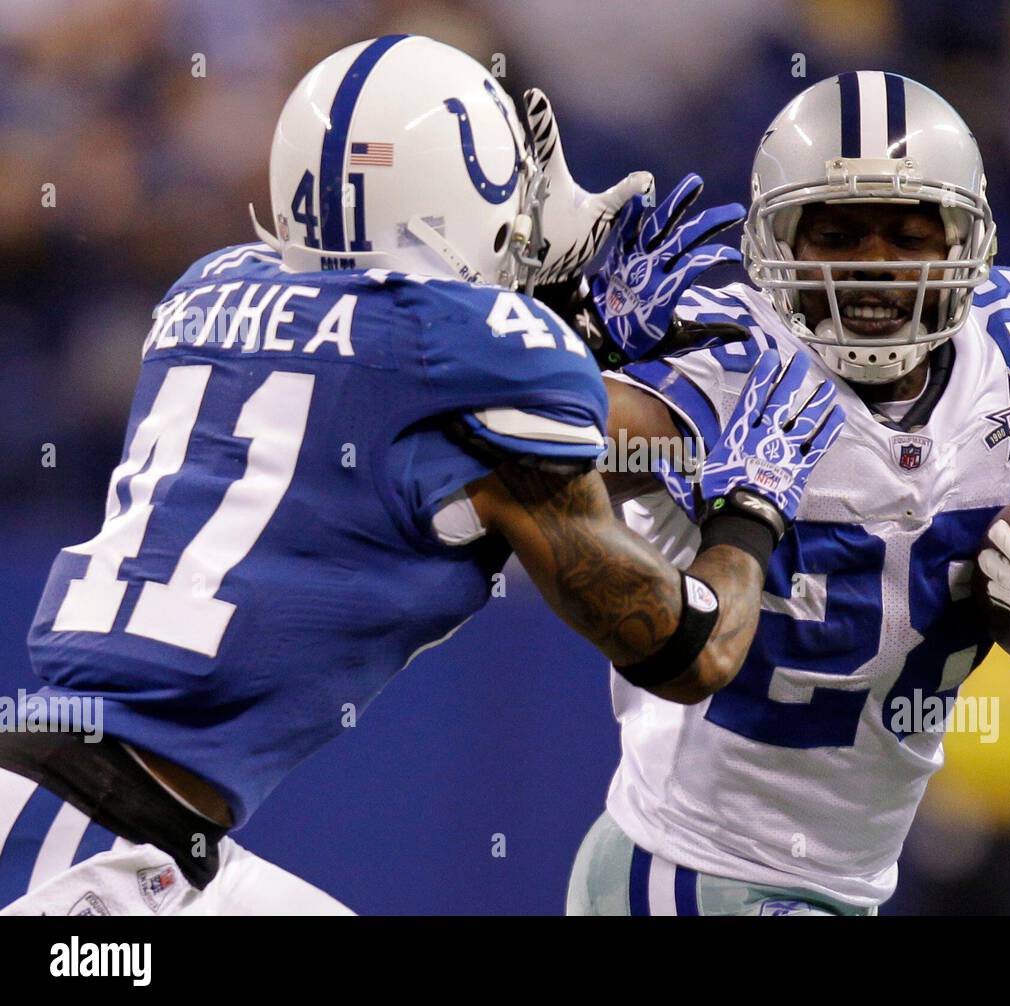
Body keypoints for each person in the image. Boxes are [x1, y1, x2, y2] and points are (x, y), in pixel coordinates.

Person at [0, 36, 843, 916]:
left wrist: (583, 367)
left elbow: (404, 403)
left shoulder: (207, 289)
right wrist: (754, 503)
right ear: (461, 206)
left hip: (90, 804)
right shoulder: (481, 359)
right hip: (88, 857)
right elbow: (689, 648)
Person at [565, 71, 1010, 916]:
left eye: (909, 234)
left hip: (841, 886)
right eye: (839, 235)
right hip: (687, 870)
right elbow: (520, 461)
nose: (875, 268)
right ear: (777, 245)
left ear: (967, 244)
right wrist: (562, 352)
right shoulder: (721, 363)